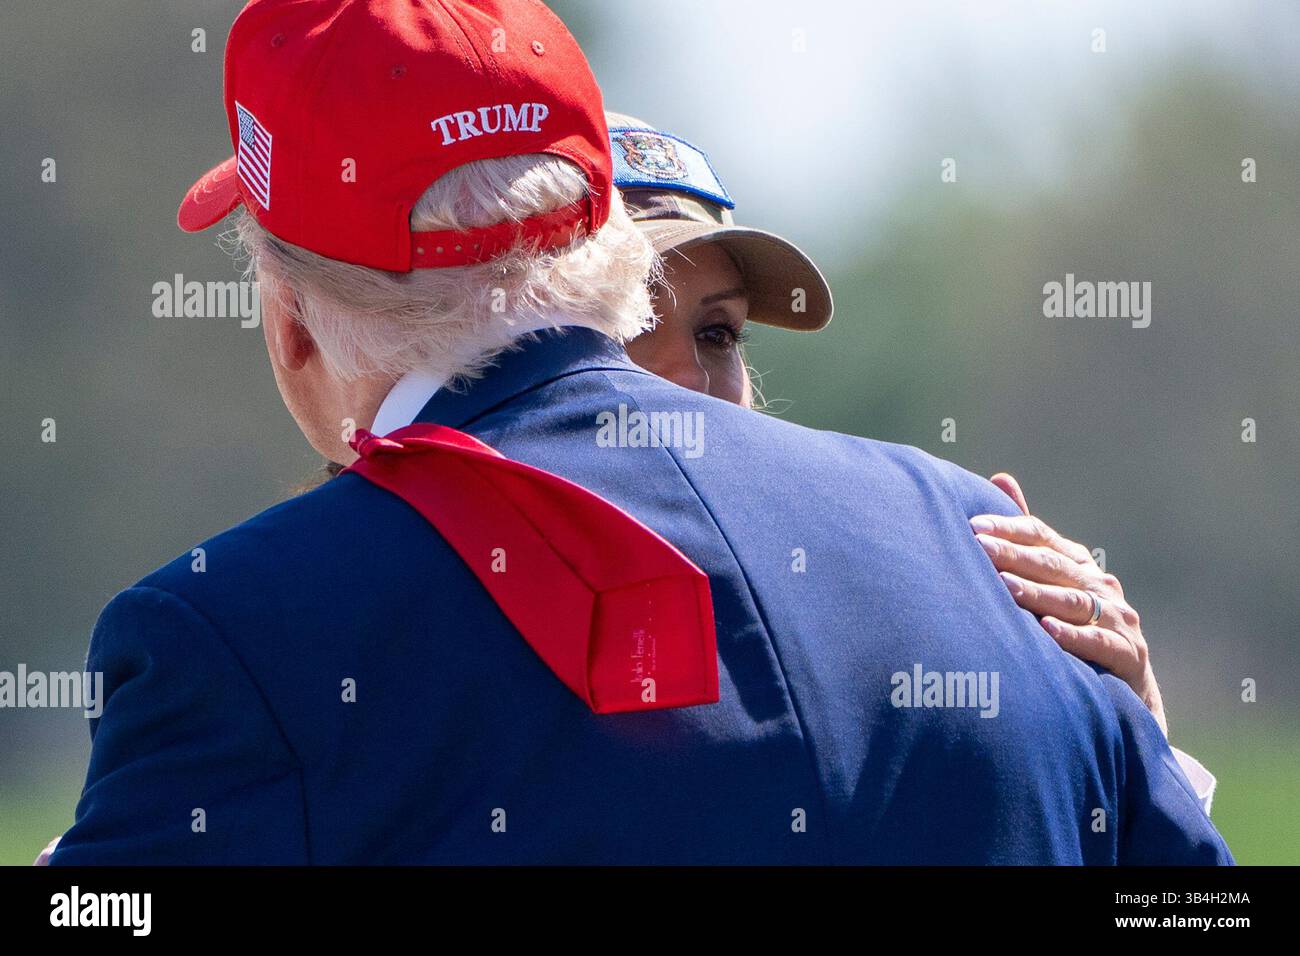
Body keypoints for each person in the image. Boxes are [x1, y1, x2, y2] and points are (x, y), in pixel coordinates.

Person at [50, 0, 1229, 864]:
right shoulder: (983, 543)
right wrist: (1138, 752)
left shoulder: (233, 637)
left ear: (291, 315)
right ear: (608, 245)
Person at [605, 113, 1219, 810]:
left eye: (718, 333)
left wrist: (1130, 737)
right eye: (626, 322)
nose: (689, 376)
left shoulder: (843, 619)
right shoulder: (472, 620)